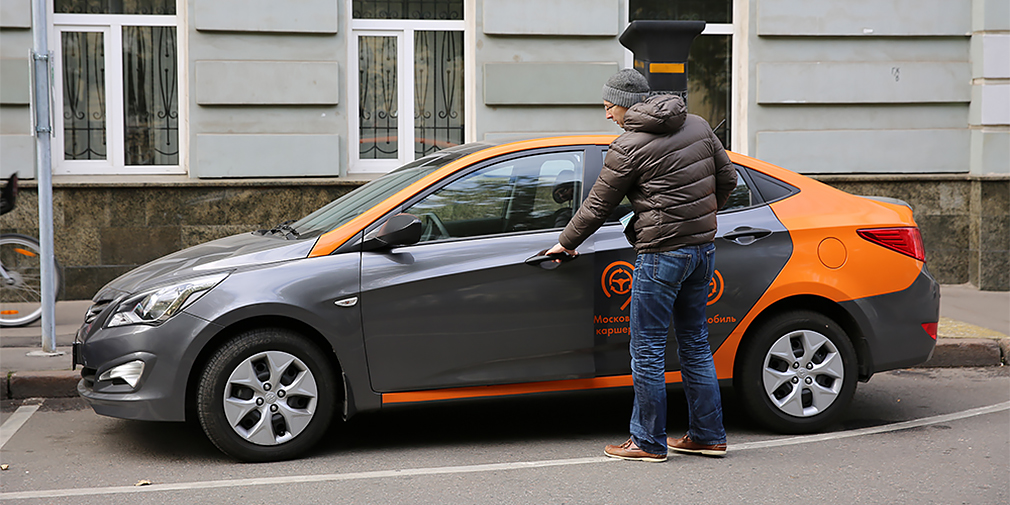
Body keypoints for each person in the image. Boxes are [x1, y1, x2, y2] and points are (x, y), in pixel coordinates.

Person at [546, 68, 737, 462]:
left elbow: (597, 206)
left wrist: (564, 243)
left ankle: (647, 441)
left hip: (661, 254)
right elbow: (728, 179)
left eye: (608, 107)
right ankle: (708, 435)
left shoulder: (629, 146)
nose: (606, 116)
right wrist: (698, 217)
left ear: (625, 104)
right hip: (702, 250)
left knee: (647, 348)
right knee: (696, 345)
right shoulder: (698, 125)